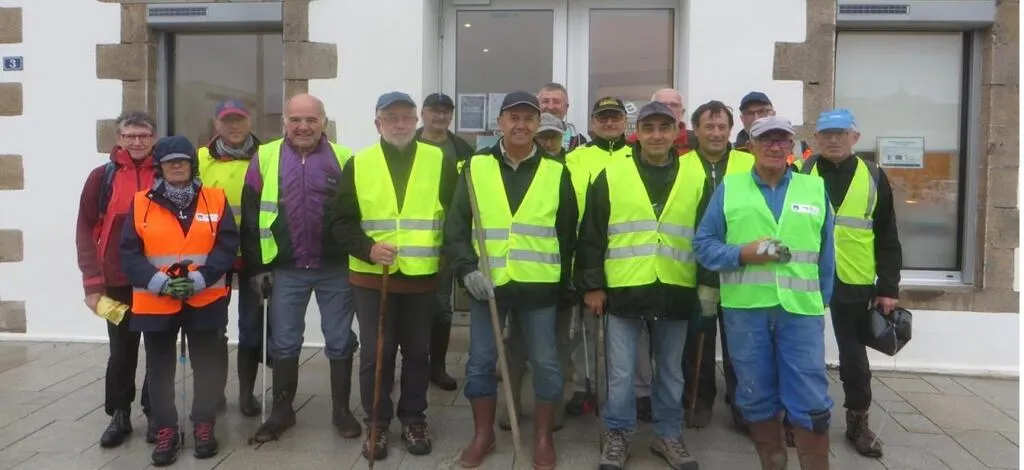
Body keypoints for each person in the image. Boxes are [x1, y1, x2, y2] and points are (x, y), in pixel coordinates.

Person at [693, 115, 835, 470]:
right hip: (746, 312)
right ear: (751, 146)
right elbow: (703, 246)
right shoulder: (730, 188)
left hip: (800, 313)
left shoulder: (814, 189)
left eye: (782, 139)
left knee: (811, 399)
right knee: (755, 396)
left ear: (791, 146)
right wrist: (742, 254)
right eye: (766, 139)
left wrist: (820, 302)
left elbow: (827, 256)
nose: (774, 146)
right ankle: (772, 463)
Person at [447, 91, 577, 470]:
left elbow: (566, 233)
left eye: (528, 118)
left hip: (539, 287)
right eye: (513, 118)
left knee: (546, 364)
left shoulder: (556, 170)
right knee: (480, 362)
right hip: (486, 286)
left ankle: (542, 438)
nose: (521, 125)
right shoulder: (475, 167)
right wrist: (466, 270)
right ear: (500, 122)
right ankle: (483, 435)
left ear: (538, 124)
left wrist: (565, 285)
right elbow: (456, 227)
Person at [331, 91, 458, 461]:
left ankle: (414, 418)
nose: (400, 124)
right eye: (391, 118)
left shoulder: (439, 160)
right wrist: (367, 248)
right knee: (377, 353)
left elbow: (453, 215)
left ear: (416, 121)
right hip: (373, 278)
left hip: (422, 276)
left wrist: (448, 258)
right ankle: (377, 423)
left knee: (418, 352)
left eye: (406, 117)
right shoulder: (359, 163)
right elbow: (340, 221)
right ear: (378, 124)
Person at [578, 101, 701, 470]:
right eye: (649, 128)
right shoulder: (612, 173)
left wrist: (707, 288)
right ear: (637, 132)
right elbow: (592, 235)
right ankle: (618, 434)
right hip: (624, 289)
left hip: (676, 287)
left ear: (676, 131)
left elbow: (708, 236)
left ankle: (668, 434)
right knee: (621, 372)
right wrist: (592, 286)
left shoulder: (694, 176)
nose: (657, 135)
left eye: (664, 127)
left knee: (671, 371)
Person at [240, 93, 361, 443]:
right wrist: (258, 267)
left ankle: (342, 410)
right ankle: (282, 411)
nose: (303, 126)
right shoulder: (264, 157)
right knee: (284, 340)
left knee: (339, 339)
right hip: (285, 268)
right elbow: (251, 217)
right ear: (285, 123)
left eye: (311, 119)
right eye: (295, 119)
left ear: (323, 122)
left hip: (335, 267)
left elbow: (356, 213)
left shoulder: (344, 157)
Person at [119, 135, 239, 466]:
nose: (176, 166)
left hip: (205, 298)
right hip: (156, 301)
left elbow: (227, 245)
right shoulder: (140, 203)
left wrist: (201, 278)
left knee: (207, 365)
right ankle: (166, 429)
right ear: (160, 167)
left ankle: (203, 424)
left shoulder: (215, 199)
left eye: (182, 161)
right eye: (170, 162)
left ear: (192, 165)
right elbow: (129, 253)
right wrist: (159, 282)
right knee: (160, 369)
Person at [802, 108, 902, 459]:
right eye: (826, 134)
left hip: (854, 279)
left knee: (854, 358)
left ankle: (858, 422)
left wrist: (888, 287)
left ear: (855, 137)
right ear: (817, 138)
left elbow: (887, 234)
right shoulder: (802, 172)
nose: (833, 140)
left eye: (841, 134)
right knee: (801, 352)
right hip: (807, 275)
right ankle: (800, 419)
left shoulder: (873, 176)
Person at [563, 96, 655, 422]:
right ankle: (584, 386)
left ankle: (641, 391)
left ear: (624, 122)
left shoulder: (639, 155)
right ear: (592, 123)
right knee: (584, 329)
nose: (609, 122)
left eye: (615, 116)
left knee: (636, 328)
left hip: (630, 256)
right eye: (602, 117)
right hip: (586, 252)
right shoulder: (575, 158)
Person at [75, 110, 155, 448]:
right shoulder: (101, 178)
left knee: (159, 348)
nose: (136, 142)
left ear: (153, 138)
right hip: (116, 280)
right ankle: (119, 414)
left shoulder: (166, 173)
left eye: (143, 135)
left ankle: (156, 412)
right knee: (121, 351)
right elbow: (85, 232)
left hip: (156, 280)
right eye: (129, 135)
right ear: (119, 138)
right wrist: (92, 285)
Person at [679, 100, 755, 430]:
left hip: (742, 268)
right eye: (708, 126)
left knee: (742, 343)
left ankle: (744, 407)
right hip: (697, 268)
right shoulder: (681, 165)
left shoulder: (748, 163)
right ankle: (698, 400)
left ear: (731, 130)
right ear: (695, 130)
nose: (716, 133)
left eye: (722, 126)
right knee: (699, 340)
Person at [497, 111, 573, 432]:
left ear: (561, 140)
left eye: (553, 138)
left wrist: (568, 279)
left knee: (554, 350)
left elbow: (568, 229)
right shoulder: (523, 167)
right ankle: (510, 409)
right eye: (543, 137)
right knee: (515, 348)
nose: (548, 143)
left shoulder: (569, 167)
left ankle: (554, 412)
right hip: (518, 276)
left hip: (555, 278)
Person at [196, 99, 263, 417]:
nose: (234, 126)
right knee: (214, 328)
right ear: (216, 124)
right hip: (214, 256)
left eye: (239, 120)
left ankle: (247, 394)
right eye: (227, 121)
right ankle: (215, 393)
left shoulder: (267, 157)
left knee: (251, 327)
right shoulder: (200, 159)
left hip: (254, 254)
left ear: (250, 122)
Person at [414, 92, 475, 392]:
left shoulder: (462, 149)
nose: (440, 117)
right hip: (409, 238)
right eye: (434, 111)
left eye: (445, 112)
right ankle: (412, 363)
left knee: (440, 305)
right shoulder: (406, 144)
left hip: (445, 240)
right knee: (409, 306)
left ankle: (437, 366)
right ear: (423, 113)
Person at [734, 91, 812, 165]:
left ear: (773, 114)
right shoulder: (731, 152)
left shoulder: (800, 150)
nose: (756, 118)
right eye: (749, 113)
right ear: (742, 119)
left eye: (762, 111)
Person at [626, 88, 697, 155]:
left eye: (674, 105)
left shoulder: (697, 141)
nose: (668, 109)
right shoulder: (632, 142)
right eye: (662, 104)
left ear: (682, 113)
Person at [538, 83, 588, 151]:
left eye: (556, 102)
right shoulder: (527, 134)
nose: (550, 107)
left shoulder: (581, 140)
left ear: (566, 108)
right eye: (545, 101)